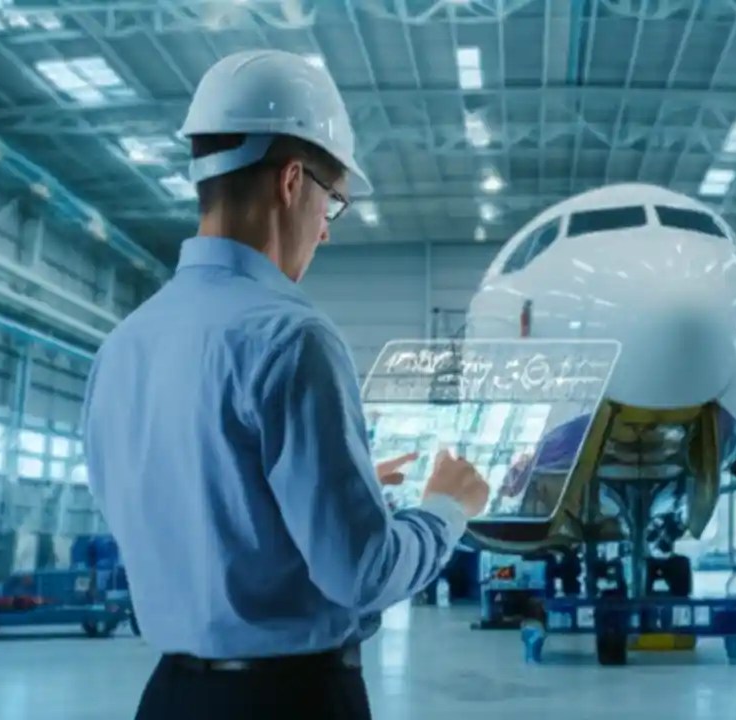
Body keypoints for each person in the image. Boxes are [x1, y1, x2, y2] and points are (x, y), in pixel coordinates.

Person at [81, 49, 490, 720]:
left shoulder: (125, 345)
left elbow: (180, 507)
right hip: (288, 701)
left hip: (167, 699)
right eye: (335, 202)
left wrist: (329, 484)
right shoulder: (292, 337)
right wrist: (446, 508)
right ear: (294, 182)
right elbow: (361, 573)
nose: (326, 230)